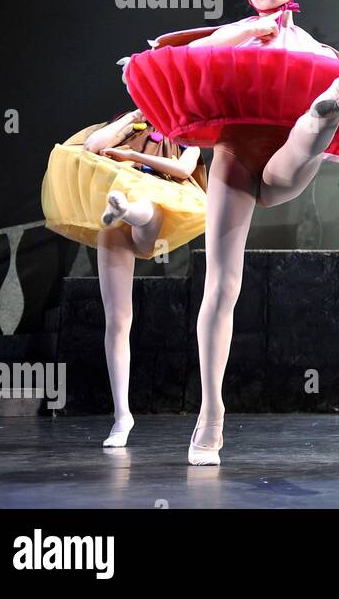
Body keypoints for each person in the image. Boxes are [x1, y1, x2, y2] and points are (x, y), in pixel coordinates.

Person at [123, 0, 339, 464]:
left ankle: (322, 111)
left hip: (290, 156)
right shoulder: (241, 30)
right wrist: (247, 31)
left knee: (297, 153)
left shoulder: (320, 50)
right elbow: (192, 54)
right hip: (236, 158)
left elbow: (329, 65)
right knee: (223, 284)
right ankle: (211, 413)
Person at [42, 108, 207, 448]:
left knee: (147, 211)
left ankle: (127, 209)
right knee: (118, 320)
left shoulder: (186, 133)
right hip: (115, 222)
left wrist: (130, 155)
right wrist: (130, 118)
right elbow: (91, 146)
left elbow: (184, 168)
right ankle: (122, 416)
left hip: (161, 203)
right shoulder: (131, 123)